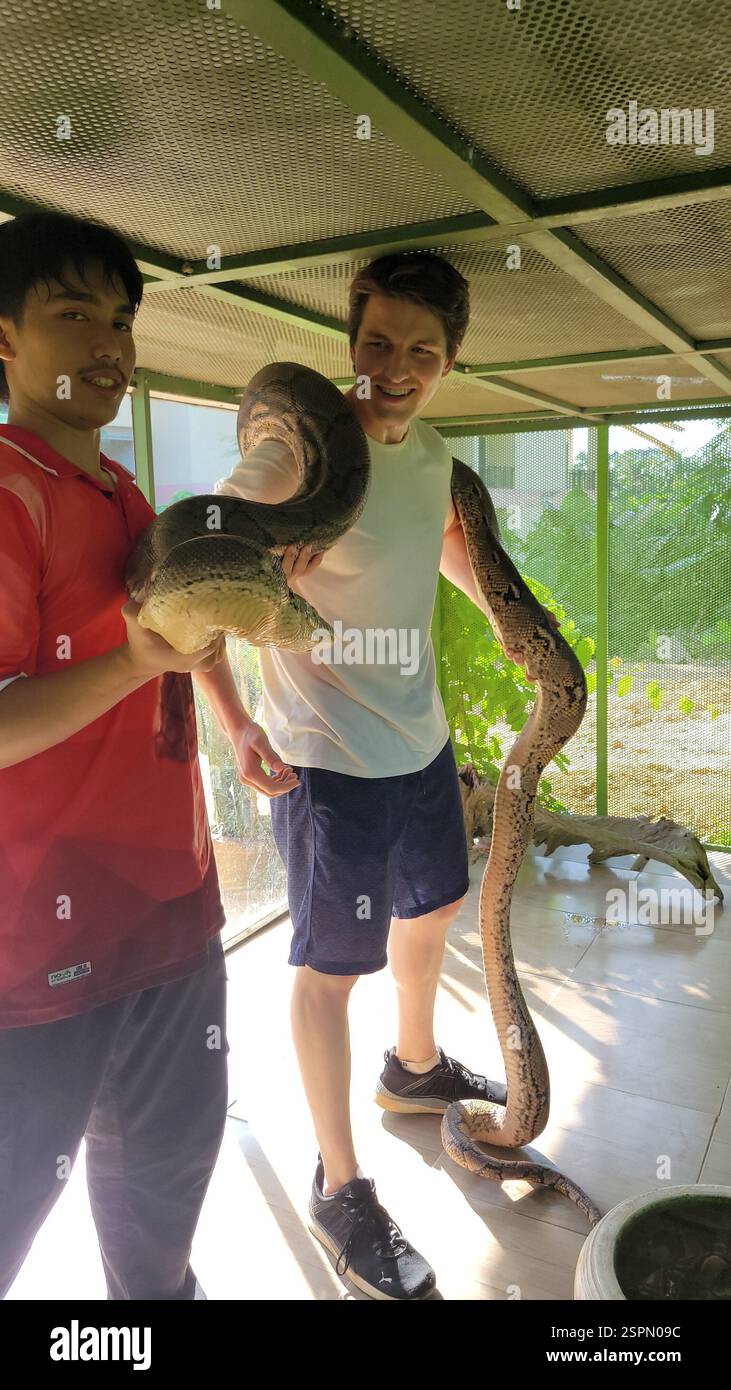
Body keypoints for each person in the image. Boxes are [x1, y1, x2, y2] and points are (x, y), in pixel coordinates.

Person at [215, 251, 559, 1301]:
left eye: (419, 351)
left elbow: (426, 544)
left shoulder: (436, 456)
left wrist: (507, 614)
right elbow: (198, 550)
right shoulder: (294, 454)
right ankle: (338, 1182)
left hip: (418, 745)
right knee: (331, 975)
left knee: (436, 907)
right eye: (373, 344)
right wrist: (233, 714)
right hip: (328, 765)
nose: (392, 370)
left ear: (449, 361)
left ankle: (410, 1066)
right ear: (348, 340)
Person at [0, 210, 235, 1300]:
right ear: (5, 339)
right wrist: (142, 660)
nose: (109, 345)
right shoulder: (12, 494)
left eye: (122, 319)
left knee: (158, 1221)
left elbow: (167, 649)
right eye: (73, 315)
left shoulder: (123, 491)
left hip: (172, 917)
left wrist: (227, 694)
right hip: (40, 953)